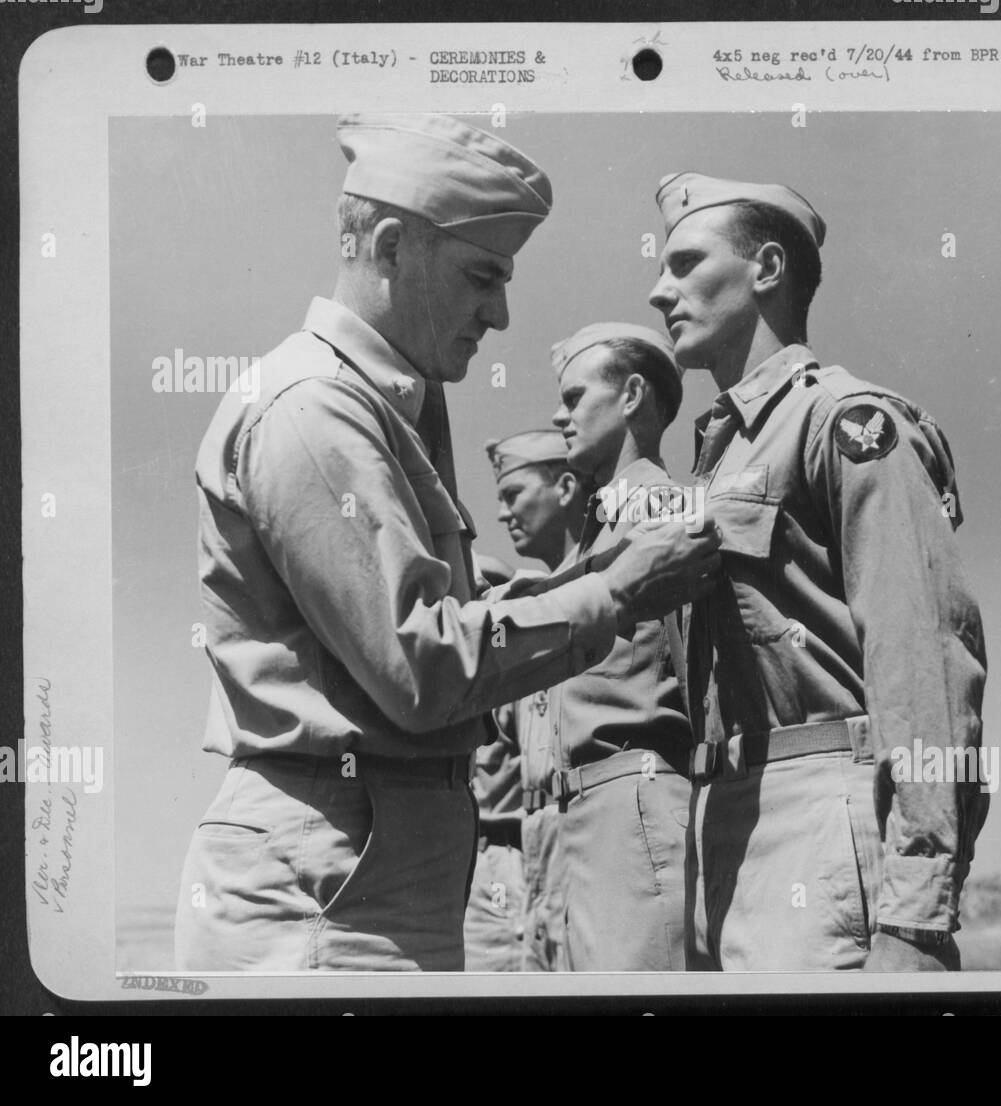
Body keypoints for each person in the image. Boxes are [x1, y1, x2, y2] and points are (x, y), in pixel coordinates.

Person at [172, 113, 719, 973]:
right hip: (328, 889)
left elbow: (438, 627)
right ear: (391, 247)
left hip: (369, 867)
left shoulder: (386, 405)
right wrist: (616, 593)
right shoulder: (316, 410)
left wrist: (601, 573)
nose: (498, 314)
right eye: (481, 276)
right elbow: (421, 667)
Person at [647, 172, 989, 971]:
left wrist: (916, 914)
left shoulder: (848, 422)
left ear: (766, 269)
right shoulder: (719, 455)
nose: (658, 290)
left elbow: (924, 659)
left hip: (821, 822)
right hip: (721, 824)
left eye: (686, 263)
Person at [546, 323, 695, 971]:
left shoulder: (663, 514)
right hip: (580, 815)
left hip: (636, 807)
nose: (560, 414)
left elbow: (704, 681)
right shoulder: (601, 527)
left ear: (632, 395)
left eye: (576, 397)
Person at [463, 430, 587, 972]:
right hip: (489, 852)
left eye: (514, 495)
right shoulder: (507, 602)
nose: (503, 513)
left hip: (562, 841)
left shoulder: (591, 597)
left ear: (564, 487)